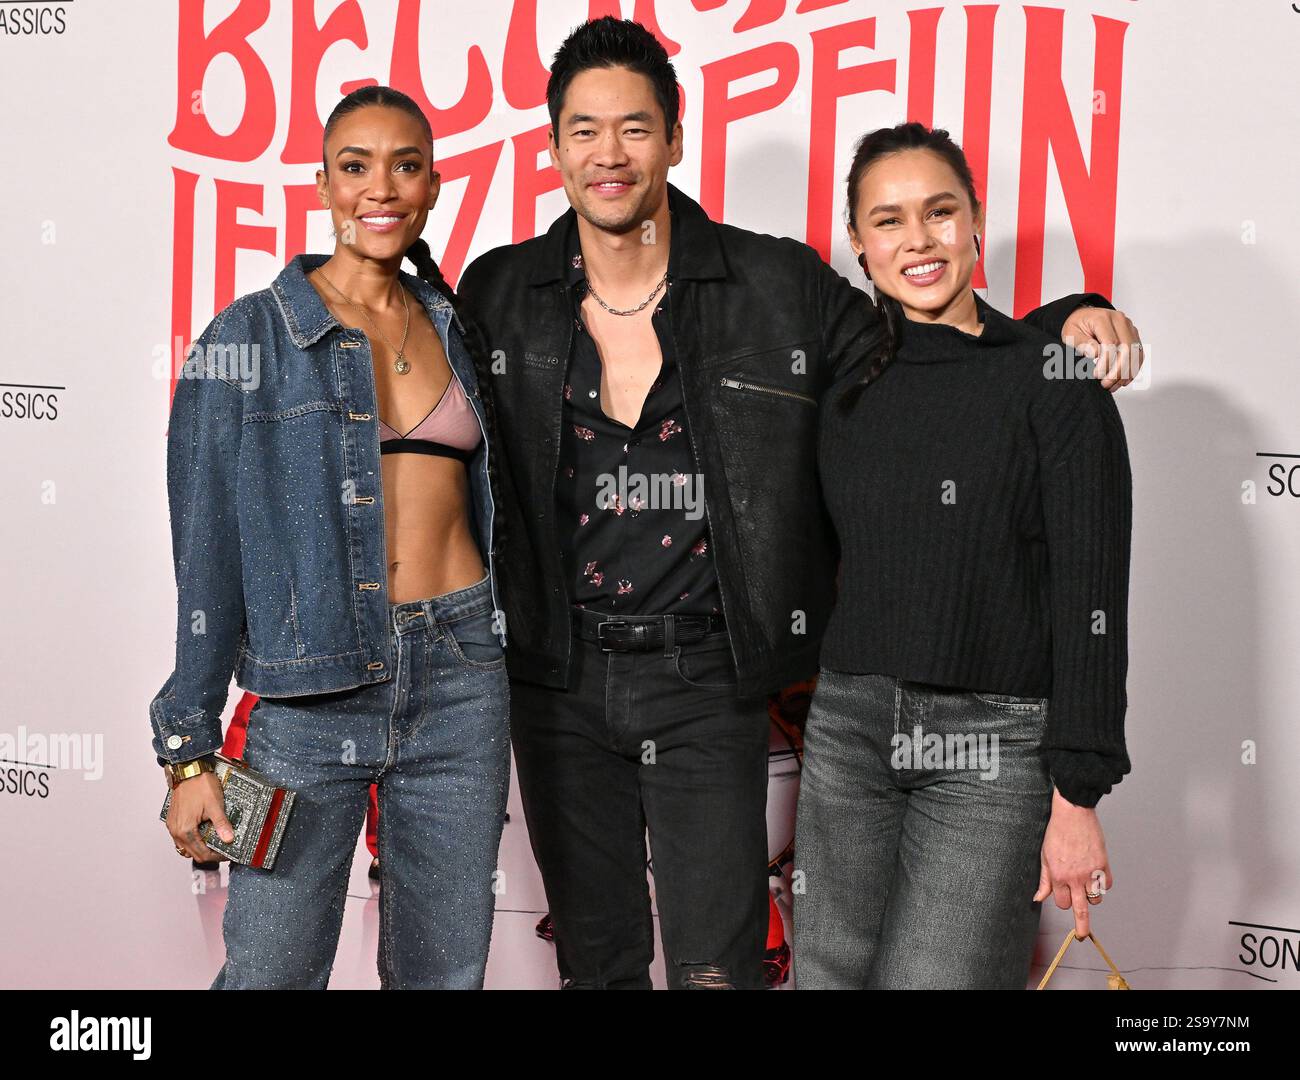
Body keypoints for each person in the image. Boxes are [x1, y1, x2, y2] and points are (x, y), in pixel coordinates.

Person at [455, 16, 1144, 989]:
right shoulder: (498, 291)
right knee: (595, 966)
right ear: (553, 145)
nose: (608, 154)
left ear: (675, 137)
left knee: (719, 970)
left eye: (634, 127)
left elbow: (920, 349)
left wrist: (1057, 327)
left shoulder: (767, 280)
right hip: (554, 680)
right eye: (583, 129)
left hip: (705, 678)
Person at [150, 86, 509, 989]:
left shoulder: (460, 326)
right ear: (321, 184)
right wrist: (188, 748)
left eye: (405, 166)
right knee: (269, 972)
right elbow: (204, 557)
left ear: (434, 187)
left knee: (443, 973)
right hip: (309, 694)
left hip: (463, 676)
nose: (378, 188)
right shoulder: (248, 337)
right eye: (355, 166)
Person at [792, 122, 1133, 989]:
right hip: (848, 730)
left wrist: (1077, 796)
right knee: (828, 977)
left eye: (940, 213)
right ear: (860, 246)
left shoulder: (1055, 383)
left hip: (993, 749)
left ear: (976, 222)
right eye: (890, 220)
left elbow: (1092, 602)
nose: (920, 240)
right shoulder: (840, 385)